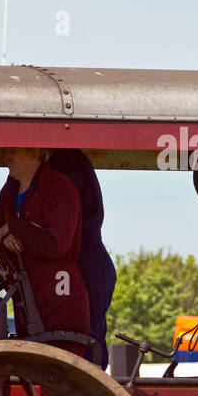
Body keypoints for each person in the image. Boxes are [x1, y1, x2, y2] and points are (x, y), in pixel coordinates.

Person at [0, 147, 90, 352]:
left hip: (58, 301)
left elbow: (56, 244)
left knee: (61, 366)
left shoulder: (61, 189)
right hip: (26, 301)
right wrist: (4, 238)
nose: (5, 156)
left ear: (34, 154)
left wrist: (13, 227)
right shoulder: (8, 193)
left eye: (13, 152)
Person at [48, 148, 115, 368]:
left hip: (83, 260)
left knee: (83, 333)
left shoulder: (65, 163)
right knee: (92, 332)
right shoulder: (76, 163)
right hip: (93, 260)